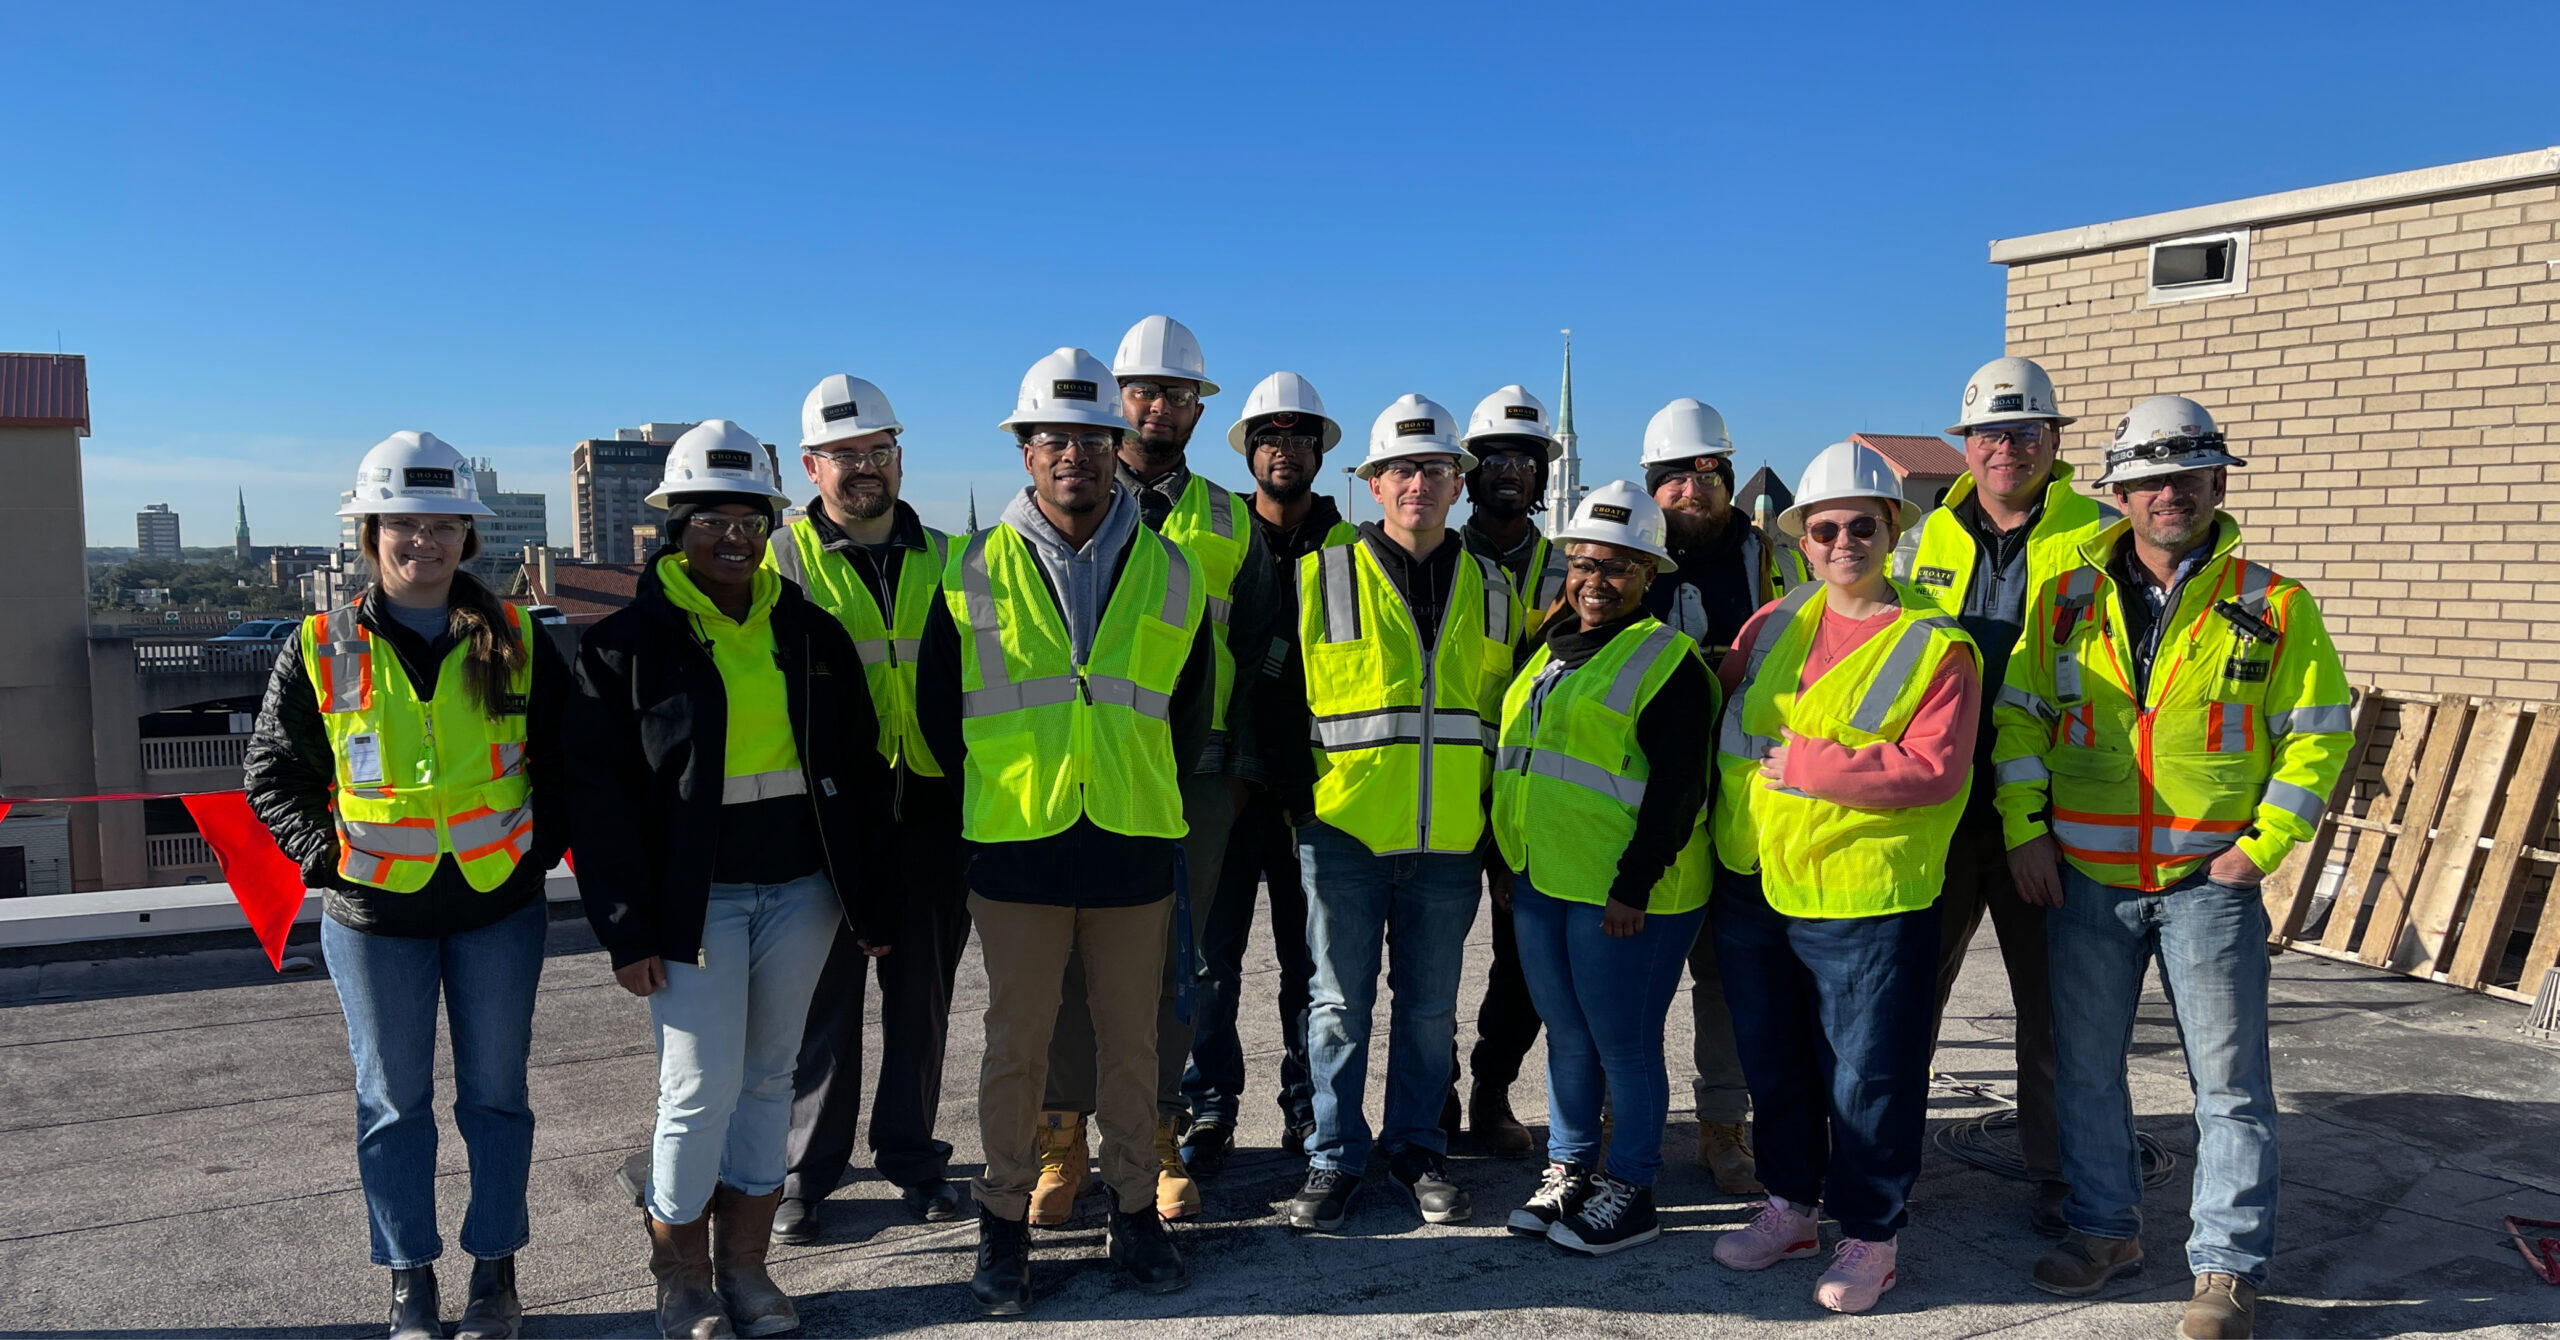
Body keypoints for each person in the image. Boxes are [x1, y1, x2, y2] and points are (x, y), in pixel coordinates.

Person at [2002, 397, 2352, 1340]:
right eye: (2150, 479)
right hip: (2086, 877)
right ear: (2118, 493)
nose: (2170, 494)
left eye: (2188, 476)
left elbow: (2317, 736)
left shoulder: (2274, 604)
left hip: (2209, 883)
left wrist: (2258, 850)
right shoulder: (2063, 600)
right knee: (2085, 1071)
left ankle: (2225, 1272)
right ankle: (2104, 1231)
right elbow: (2019, 720)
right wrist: (2025, 832)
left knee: (2230, 1087)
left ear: (2218, 483)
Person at [565, 421, 896, 1339]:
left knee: (769, 1078)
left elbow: (857, 771)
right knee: (697, 1086)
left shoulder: (809, 632)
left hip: (801, 894)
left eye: (750, 520)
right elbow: (598, 804)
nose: (734, 537)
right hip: (693, 906)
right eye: (711, 519)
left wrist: (869, 899)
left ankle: (746, 1266)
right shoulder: (624, 647)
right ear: (676, 528)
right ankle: (681, 1275)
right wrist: (627, 929)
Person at [245, 430, 567, 1340]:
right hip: (373, 916)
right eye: (404, 525)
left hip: (497, 905)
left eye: (443, 525)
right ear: (370, 532)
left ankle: (495, 1275)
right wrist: (325, 856)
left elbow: (571, 761)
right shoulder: (321, 644)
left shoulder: (519, 638)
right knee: (393, 1106)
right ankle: (409, 1281)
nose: (424, 541)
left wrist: (538, 851)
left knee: (496, 1098)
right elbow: (272, 774)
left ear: (468, 535)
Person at [915, 347, 1212, 1315]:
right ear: (1025, 451)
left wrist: (1133, 783)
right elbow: (935, 715)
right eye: (1052, 438)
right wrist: (998, 801)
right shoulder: (969, 568)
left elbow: (1190, 710)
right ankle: (1003, 1221)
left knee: (1134, 1046)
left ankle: (1134, 1209)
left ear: (1115, 445)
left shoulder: (1170, 569)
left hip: (1131, 842)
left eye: (1089, 437)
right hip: (1017, 848)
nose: (1072, 453)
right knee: (1017, 1048)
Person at [1707, 440, 1979, 1314]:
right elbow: (1722, 722)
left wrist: (1813, 767)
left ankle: (1870, 1235)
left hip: (1864, 895)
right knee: (1774, 1061)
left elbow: (1935, 769)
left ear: (1892, 530)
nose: (1843, 543)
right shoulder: (1772, 623)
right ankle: (1791, 1207)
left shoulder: (1934, 644)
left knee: (1869, 1079)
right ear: (1801, 539)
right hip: (1756, 878)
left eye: (1862, 526)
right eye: (1824, 529)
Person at [1032, 314, 1274, 1223]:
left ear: (1199, 409)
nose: (1159, 407)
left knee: (1181, 965)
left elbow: (1259, 650)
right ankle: (1062, 1143)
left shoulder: (1229, 518)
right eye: (1143, 391)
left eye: (1177, 394)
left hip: (1196, 776)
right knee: (1067, 965)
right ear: (1115, 400)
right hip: (1081, 768)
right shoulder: (1064, 503)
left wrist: (1237, 771)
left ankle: (1157, 1135)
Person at [1274, 395, 1522, 1232]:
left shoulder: (1495, 589)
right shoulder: (1320, 575)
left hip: (1449, 837)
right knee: (1338, 1007)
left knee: (1427, 1012)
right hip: (1342, 833)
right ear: (1373, 483)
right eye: (1401, 469)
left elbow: (1503, 719)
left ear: (1459, 483)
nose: (1419, 483)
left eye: (1436, 468)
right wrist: (1304, 805)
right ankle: (1334, 1157)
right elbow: (1278, 699)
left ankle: (1419, 1151)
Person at [1893, 356, 2115, 1234]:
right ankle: (1885, 1164)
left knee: (2054, 1011)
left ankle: (2060, 1173)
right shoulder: (1920, 538)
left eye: (2025, 432)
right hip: (1937, 809)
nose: (2006, 448)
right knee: (1908, 997)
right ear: (1966, 444)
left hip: (2049, 814)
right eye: (1990, 433)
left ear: (2054, 439)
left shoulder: (2100, 534)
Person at [764, 375, 971, 1240]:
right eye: (843, 455)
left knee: (921, 1000)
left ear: (899, 456)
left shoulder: (958, 558)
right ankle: (806, 1173)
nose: (863, 468)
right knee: (824, 1006)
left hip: (933, 806)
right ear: (810, 467)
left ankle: (913, 1157)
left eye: (877, 451)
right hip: (829, 817)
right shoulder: (780, 562)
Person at [1491, 482, 1718, 1257]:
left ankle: (1632, 1187)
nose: (1597, 580)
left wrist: (1632, 888)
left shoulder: (1667, 661)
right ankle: (1570, 1168)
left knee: (1624, 1044)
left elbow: (1680, 790)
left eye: (1619, 566)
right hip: (1545, 878)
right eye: (1584, 563)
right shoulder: (1550, 649)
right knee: (1567, 1036)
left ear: (1649, 574)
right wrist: (1511, 861)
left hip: (1627, 895)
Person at [1182, 371, 1357, 1172]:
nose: (1284, 452)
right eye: (1268, 439)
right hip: (1224, 781)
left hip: (1313, 789)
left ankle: (1305, 1107)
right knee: (1209, 963)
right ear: (1248, 452)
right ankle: (1210, 1105)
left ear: (1319, 453)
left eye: (1299, 439)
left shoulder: (1353, 548)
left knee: (1308, 966)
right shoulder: (1217, 534)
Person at [1636, 397, 1771, 1196]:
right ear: (1652, 487)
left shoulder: (1773, 558)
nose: (1692, 490)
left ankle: (1723, 1125)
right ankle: (1623, 1122)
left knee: (1727, 981)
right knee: (1638, 976)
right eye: (1673, 478)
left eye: (1707, 473)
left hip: (1743, 802)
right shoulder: (1629, 555)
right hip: (1647, 803)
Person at [1451, 384, 1569, 1157]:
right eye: (1493, 457)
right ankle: (1429, 1095)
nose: (1509, 472)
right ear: (1469, 472)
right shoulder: (1438, 558)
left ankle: (1490, 1094)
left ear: (1542, 476)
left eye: (1525, 460)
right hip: (1444, 787)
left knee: (1522, 961)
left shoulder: (1569, 569)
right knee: (1424, 963)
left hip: (1530, 797)